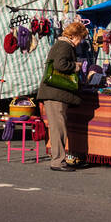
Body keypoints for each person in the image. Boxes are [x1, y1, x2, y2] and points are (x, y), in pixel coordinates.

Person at [36, 20, 86, 171]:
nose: (80, 42)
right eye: (80, 38)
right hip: (55, 93)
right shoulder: (65, 45)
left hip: (54, 93)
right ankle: (58, 161)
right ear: (75, 36)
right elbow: (60, 65)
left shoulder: (60, 44)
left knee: (58, 127)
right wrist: (75, 67)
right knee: (58, 128)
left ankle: (58, 159)